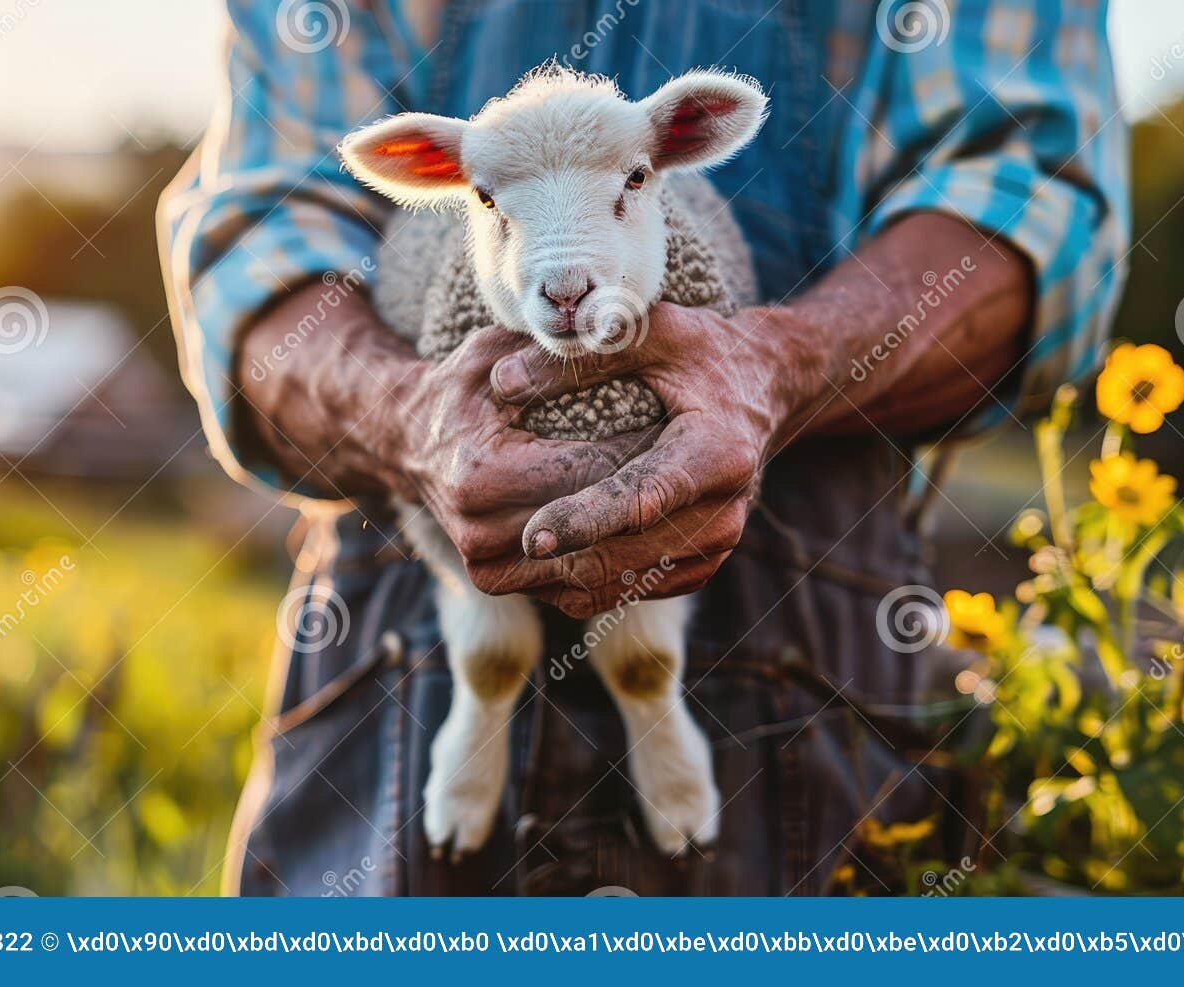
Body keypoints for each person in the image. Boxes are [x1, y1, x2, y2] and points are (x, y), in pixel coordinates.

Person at [159, 0, 1127, 895]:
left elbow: (1024, 187)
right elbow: (265, 223)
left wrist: (777, 364)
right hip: (396, 615)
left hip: (806, 605)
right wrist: (403, 411)